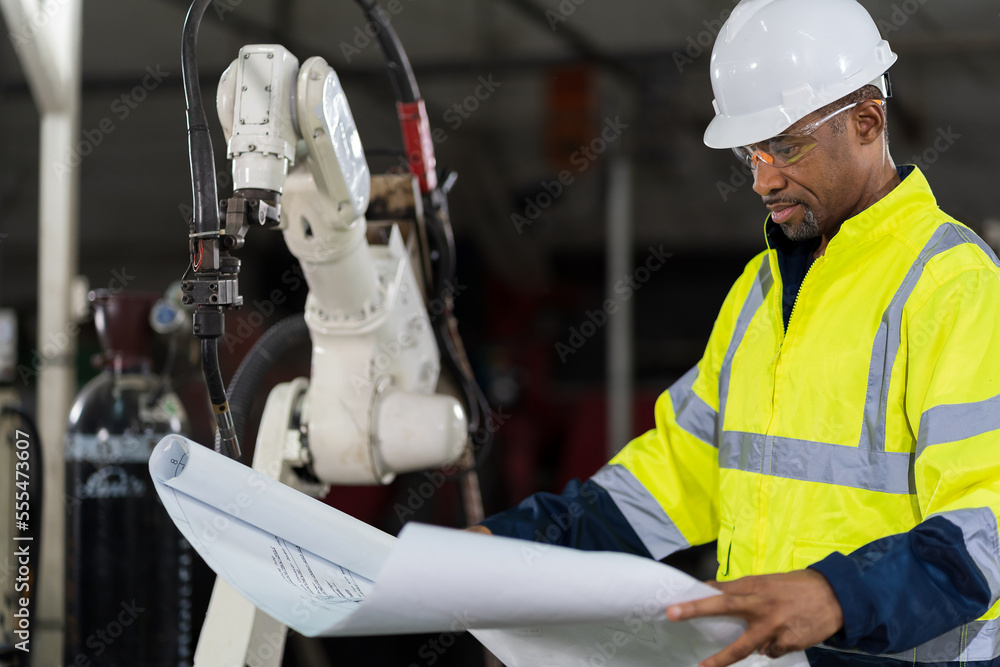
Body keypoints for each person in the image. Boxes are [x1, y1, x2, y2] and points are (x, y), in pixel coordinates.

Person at [469, 0, 1000, 665]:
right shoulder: (759, 289)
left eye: (785, 146)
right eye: (750, 151)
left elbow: (987, 527)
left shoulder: (953, 283)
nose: (762, 179)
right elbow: (678, 472)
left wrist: (835, 594)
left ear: (867, 121)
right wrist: (520, 544)